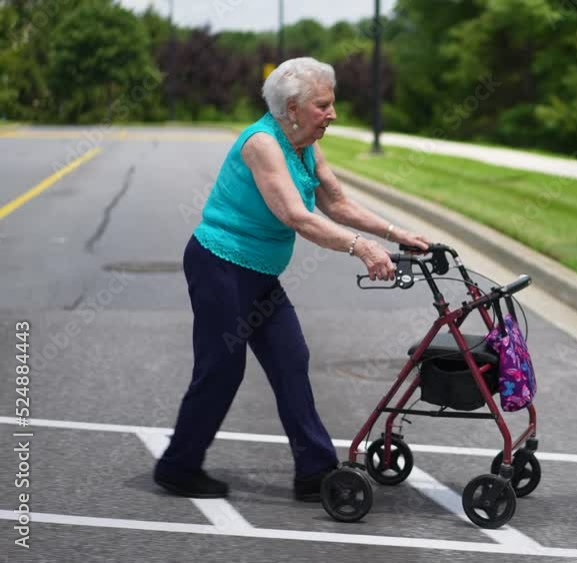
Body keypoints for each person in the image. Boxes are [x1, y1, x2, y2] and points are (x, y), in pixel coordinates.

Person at [153, 57, 429, 501]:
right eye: (324, 105)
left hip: (260, 274)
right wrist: (362, 249)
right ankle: (177, 466)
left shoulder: (305, 143)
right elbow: (297, 217)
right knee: (222, 369)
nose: (333, 114)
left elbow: (336, 203)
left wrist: (397, 234)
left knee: (290, 359)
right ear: (293, 108)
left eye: (331, 104)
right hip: (220, 266)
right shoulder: (262, 143)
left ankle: (314, 472)